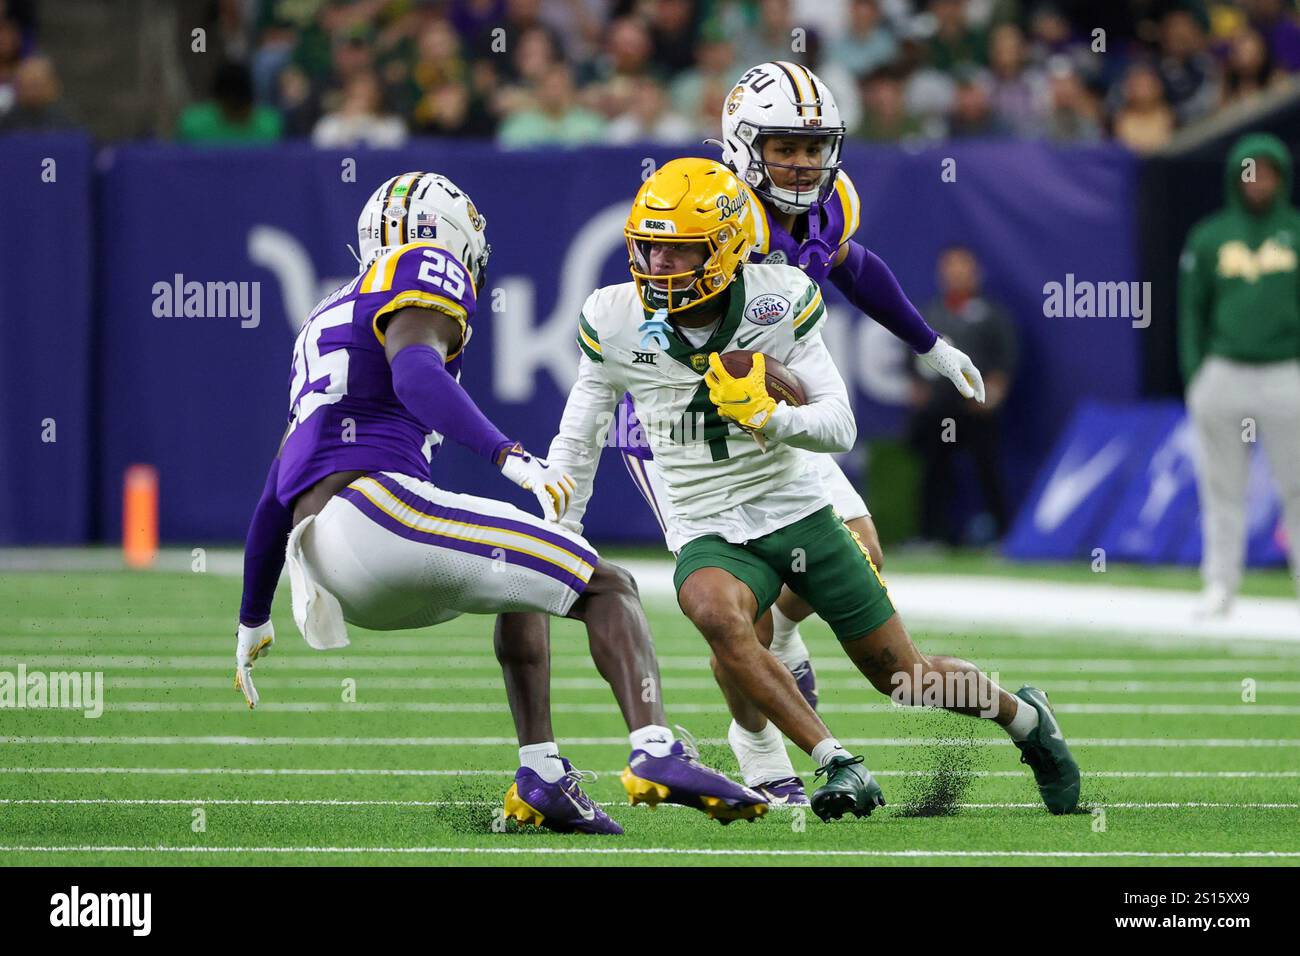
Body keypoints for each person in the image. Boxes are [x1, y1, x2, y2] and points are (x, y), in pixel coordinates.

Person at [544, 157, 1082, 821]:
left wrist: (773, 416)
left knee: (904, 678)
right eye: (649, 247)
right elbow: (580, 432)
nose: (657, 266)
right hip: (705, 519)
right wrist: (562, 526)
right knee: (720, 616)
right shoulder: (613, 316)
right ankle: (830, 760)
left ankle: (1026, 720)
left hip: (795, 506)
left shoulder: (779, 298)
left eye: (678, 250)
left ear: (724, 248)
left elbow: (841, 425)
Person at [232, 171, 766, 835]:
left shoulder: (325, 318)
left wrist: (253, 614)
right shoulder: (421, 264)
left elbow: (277, 480)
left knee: (524, 578)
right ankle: (655, 751)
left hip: (325, 559)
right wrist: (510, 457)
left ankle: (540, 773)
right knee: (607, 585)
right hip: (375, 512)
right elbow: (417, 372)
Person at [1179, 132, 1300, 616]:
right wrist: (1195, 374)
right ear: (1235, 176)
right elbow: (1191, 312)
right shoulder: (1208, 236)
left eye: (1266, 171)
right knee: (1221, 485)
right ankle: (1220, 585)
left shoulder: (1296, 229)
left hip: (1285, 371)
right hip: (1224, 370)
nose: (1257, 181)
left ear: (1281, 176)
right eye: (1249, 171)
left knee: (1298, 484)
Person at [909, 245, 1018, 546]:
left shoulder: (991, 314)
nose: (956, 274)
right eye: (950, 268)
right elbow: (913, 358)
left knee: (988, 471)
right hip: (938, 410)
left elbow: (1005, 357)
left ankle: (1003, 535)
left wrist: (994, 391)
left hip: (976, 409)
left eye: (962, 267)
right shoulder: (930, 312)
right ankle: (932, 537)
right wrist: (918, 389)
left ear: (975, 273)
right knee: (934, 472)